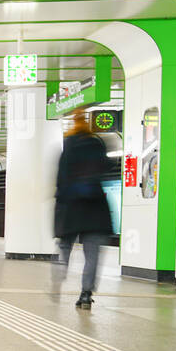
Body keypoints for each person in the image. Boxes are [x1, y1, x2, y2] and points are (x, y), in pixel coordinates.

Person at [52, 110, 116, 309]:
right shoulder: (97, 142)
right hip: (95, 208)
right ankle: (86, 293)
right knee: (92, 254)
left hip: (71, 208)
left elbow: (61, 179)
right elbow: (106, 167)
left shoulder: (68, 146)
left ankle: (58, 278)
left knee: (64, 247)